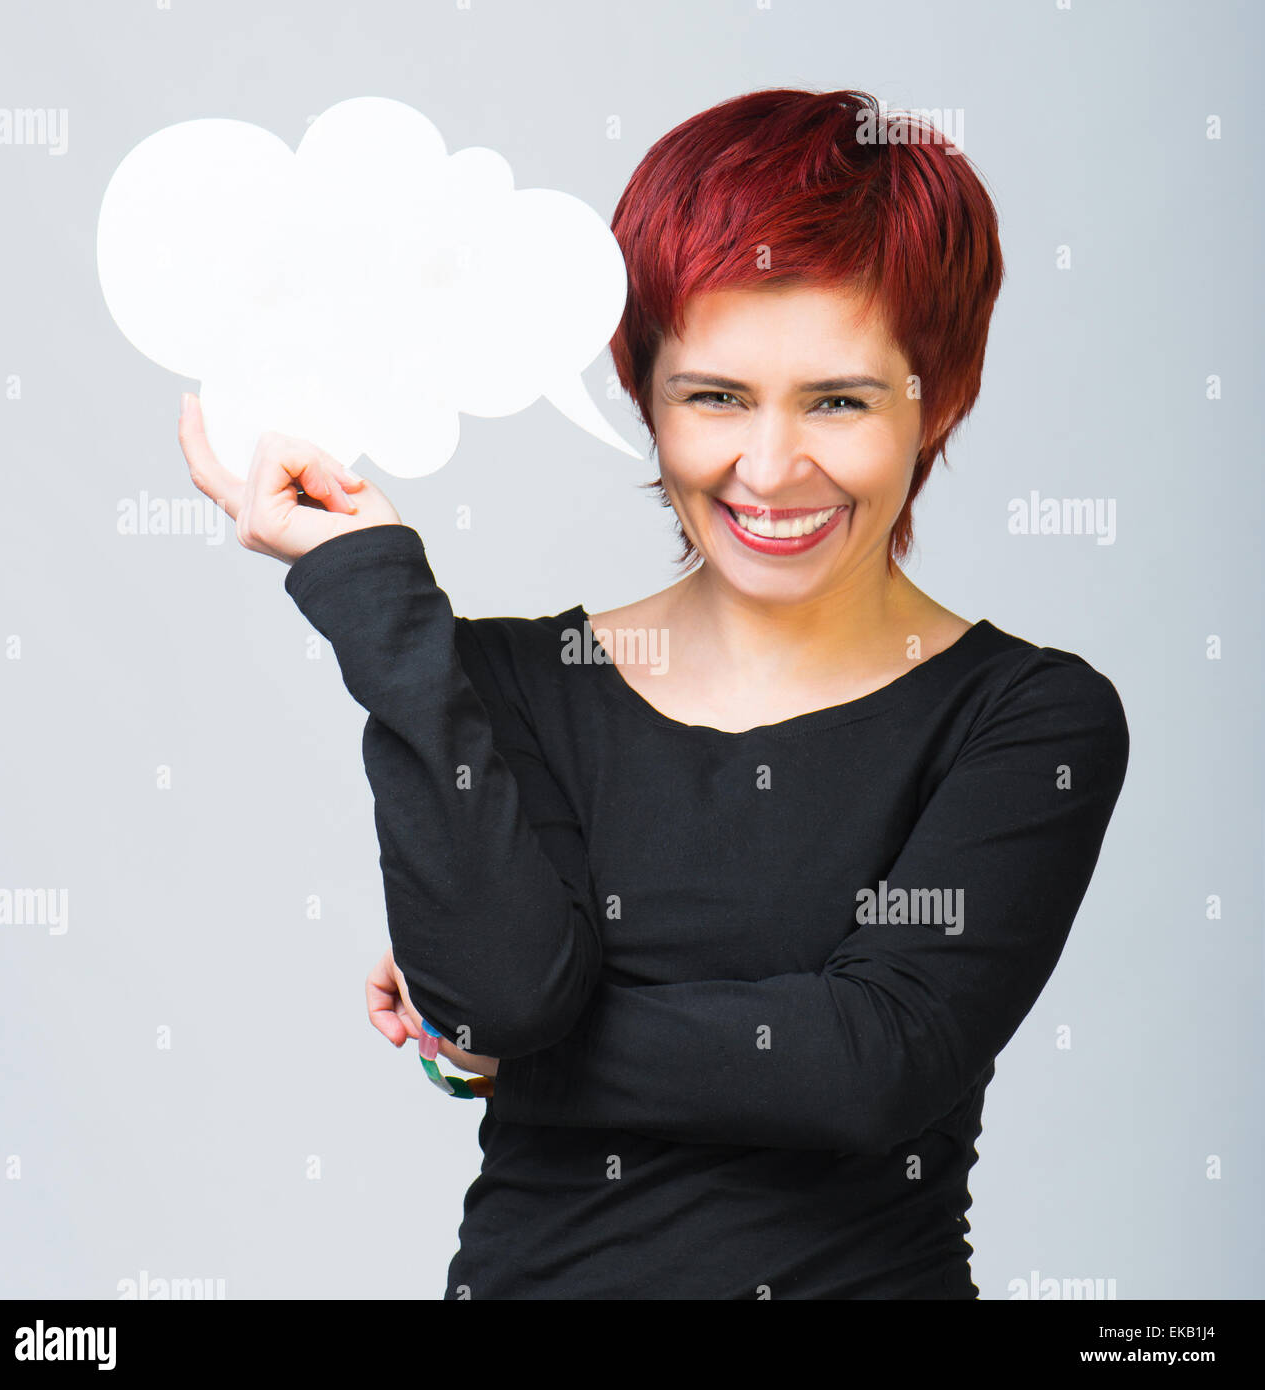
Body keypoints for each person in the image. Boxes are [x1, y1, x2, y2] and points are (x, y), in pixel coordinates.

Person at [179, 88, 1129, 1299]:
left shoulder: (1026, 718)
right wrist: (375, 596)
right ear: (646, 394)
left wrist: (492, 1051)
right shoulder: (509, 685)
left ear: (935, 398)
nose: (771, 468)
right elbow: (503, 991)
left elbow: (869, 1062)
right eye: (715, 396)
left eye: (837, 399)